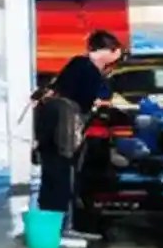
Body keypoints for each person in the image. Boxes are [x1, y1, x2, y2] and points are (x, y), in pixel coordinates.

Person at [32, 30, 124, 215]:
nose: (116, 58)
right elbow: (88, 99)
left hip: (55, 128)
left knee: (55, 175)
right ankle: (58, 224)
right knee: (60, 177)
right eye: (116, 53)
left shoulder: (80, 64)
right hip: (63, 129)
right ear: (107, 50)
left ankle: (54, 223)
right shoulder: (86, 68)